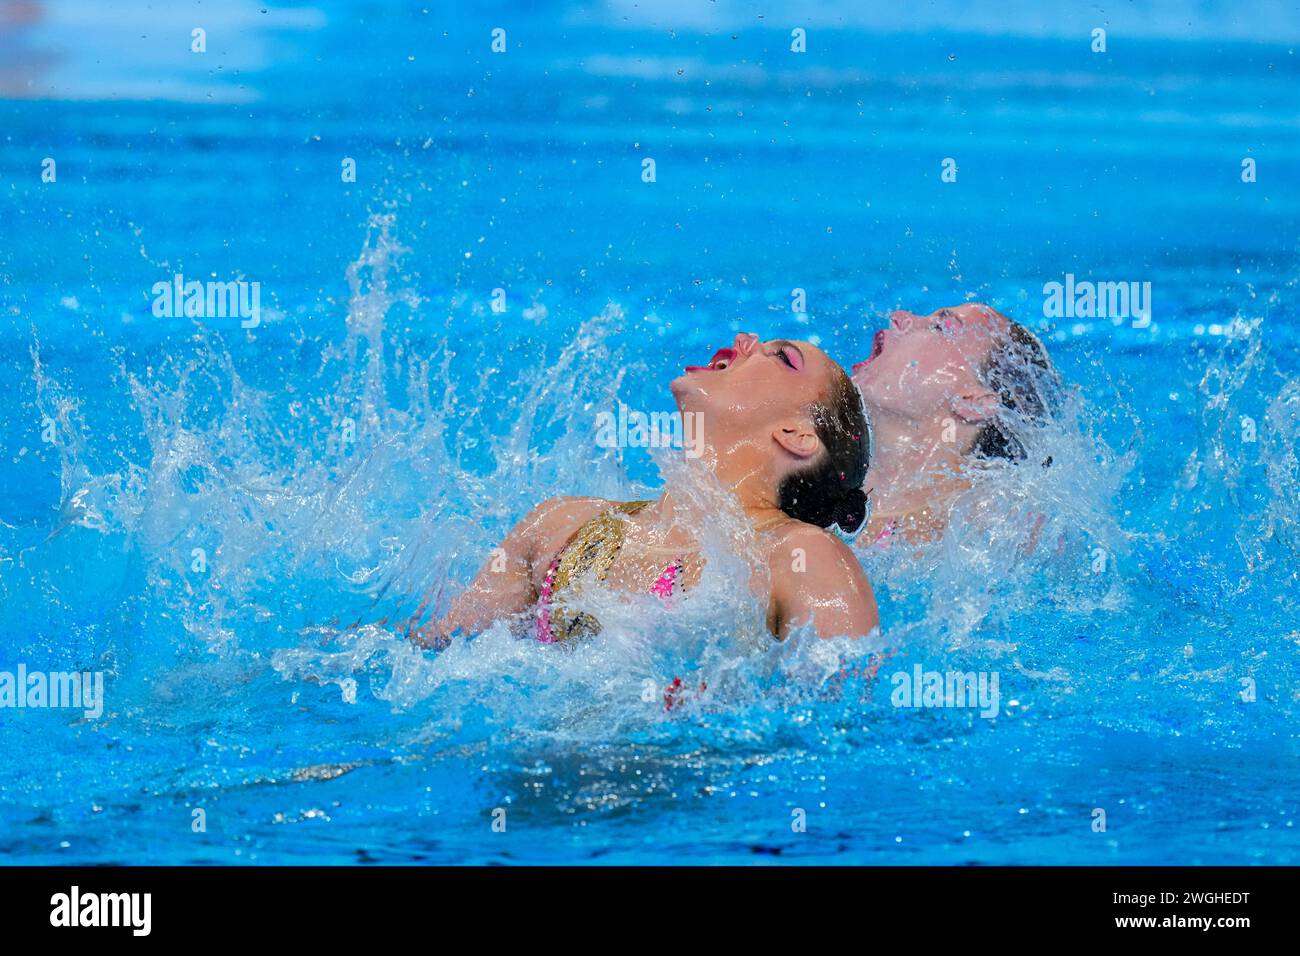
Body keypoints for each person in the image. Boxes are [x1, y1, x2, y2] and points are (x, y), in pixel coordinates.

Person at [406, 332, 880, 648]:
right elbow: (438, 656)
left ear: (798, 437)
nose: (744, 340)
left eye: (782, 357)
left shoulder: (804, 558)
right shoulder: (559, 524)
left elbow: (838, 722)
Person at [851, 304, 1060, 549]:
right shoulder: (810, 480)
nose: (898, 317)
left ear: (973, 401)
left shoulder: (992, 527)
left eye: (941, 327)